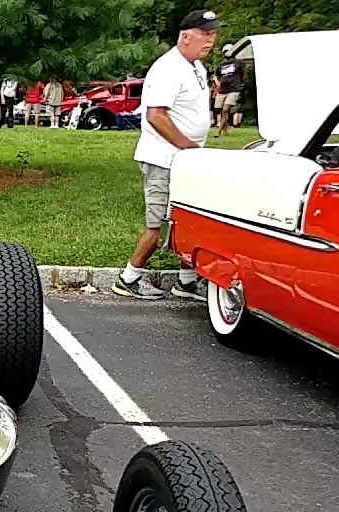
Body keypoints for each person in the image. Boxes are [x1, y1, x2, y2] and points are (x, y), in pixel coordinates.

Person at [112, 8, 221, 301]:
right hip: (163, 159)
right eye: (205, 34)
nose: (211, 40)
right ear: (186, 36)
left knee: (187, 219)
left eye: (213, 34)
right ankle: (129, 277)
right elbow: (156, 116)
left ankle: (186, 281)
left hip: (184, 160)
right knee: (156, 222)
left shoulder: (196, 66)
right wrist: (188, 147)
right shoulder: (168, 68)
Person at [214, 44, 244, 135]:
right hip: (222, 90)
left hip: (233, 89)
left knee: (226, 109)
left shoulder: (238, 63)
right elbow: (216, 75)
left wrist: (241, 84)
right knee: (221, 110)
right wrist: (218, 83)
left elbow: (242, 74)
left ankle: (219, 131)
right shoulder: (221, 64)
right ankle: (225, 130)